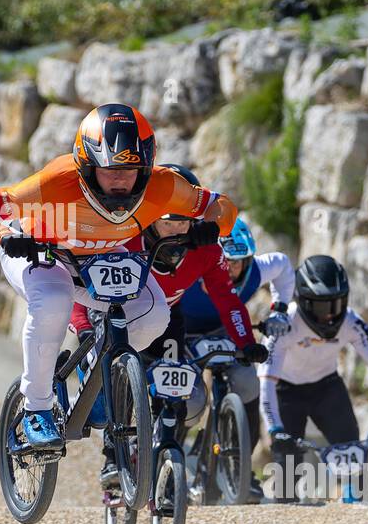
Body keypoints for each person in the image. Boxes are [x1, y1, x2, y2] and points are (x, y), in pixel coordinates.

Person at [0, 103, 241, 451]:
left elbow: (220, 205)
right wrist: (2, 234)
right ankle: (37, 410)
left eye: (131, 170)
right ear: (87, 167)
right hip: (42, 250)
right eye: (109, 170)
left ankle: (101, 375)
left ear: (148, 168)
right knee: (55, 302)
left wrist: (212, 227)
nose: (120, 180)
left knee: (154, 314)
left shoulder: (164, 186)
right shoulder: (55, 182)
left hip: (100, 255)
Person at [69, 166, 267, 490]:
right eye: (167, 219)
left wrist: (245, 341)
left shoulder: (206, 248)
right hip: (115, 313)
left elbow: (226, 298)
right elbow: (82, 280)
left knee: (175, 389)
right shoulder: (124, 237)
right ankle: (112, 457)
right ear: (151, 216)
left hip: (167, 320)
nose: (176, 228)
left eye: (183, 220)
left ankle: (167, 460)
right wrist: (81, 326)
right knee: (113, 381)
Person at [259, 255, 368, 498]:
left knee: (353, 454)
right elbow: (266, 381)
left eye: (336, 305)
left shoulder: (351, 321)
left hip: (326, 388)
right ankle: (284, 519)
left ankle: (358, 511)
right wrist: (275, 429)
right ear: (304, 301)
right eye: (322, 307)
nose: (330, 315)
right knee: (287, 471)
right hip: (284, 392)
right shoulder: (284, 324)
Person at [180, 218, 295, 496]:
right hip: (181, 329)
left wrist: (279, 309)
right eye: (223, 262)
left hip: (227, 326)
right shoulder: (189, 264)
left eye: (237, 262)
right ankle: (166, 459)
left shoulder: (257, 270)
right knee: (188, 398)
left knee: (248, 384)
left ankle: (242, 469)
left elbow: (282, 265)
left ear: (249, 259)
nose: (228, 270)